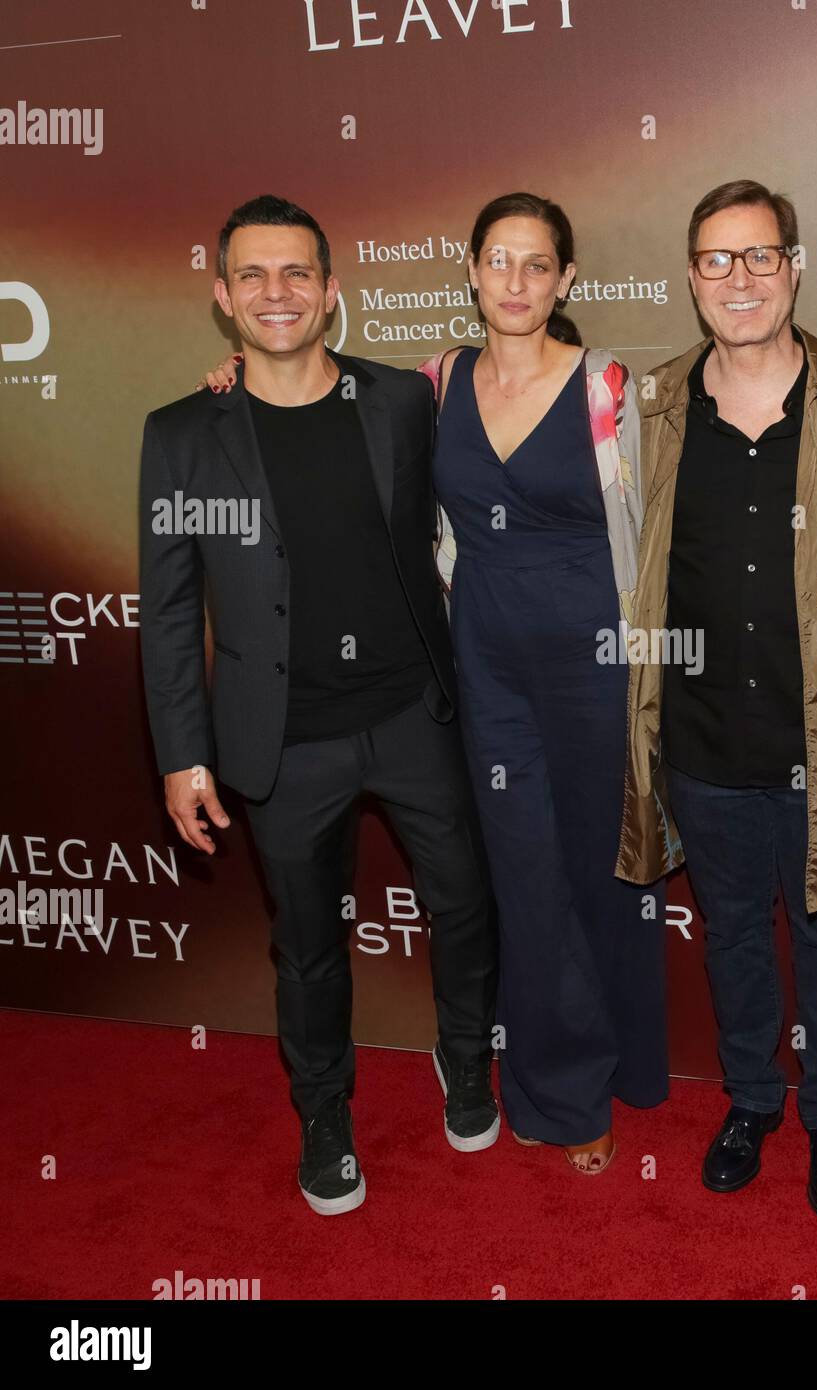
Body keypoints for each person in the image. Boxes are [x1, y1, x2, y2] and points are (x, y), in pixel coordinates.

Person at [141, 195, 500, 1217]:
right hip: (283, 741)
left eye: (297, 272)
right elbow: (168, 610)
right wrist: (182, 752)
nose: (276, 292)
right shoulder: (181, 437)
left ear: (332, 291)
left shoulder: (398, 402)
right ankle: (326, 1117)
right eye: (252, 276)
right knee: (305, 946)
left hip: (414, 713)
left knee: (467, 906)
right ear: (221, 297)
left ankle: (467, 1062)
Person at [616, 181, 817, 1218]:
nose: (740, 279)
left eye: (759, 256)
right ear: (691, 279)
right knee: (729, 934)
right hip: (700, 734)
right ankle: (751, 1102)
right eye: (718, 261)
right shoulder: (650, 406)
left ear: (796, 266)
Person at [422, 193, 668, 1175]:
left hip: (595, 665)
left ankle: (621, 1057)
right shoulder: (434, 384)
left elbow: (645, 536)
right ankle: (562, 1089)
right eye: (498, 261)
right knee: (523, 871)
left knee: (596, 865)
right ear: (472, 271)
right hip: (487, 665)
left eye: (537, 265)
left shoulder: (606, 383)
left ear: (565, 279)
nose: (516, 282)